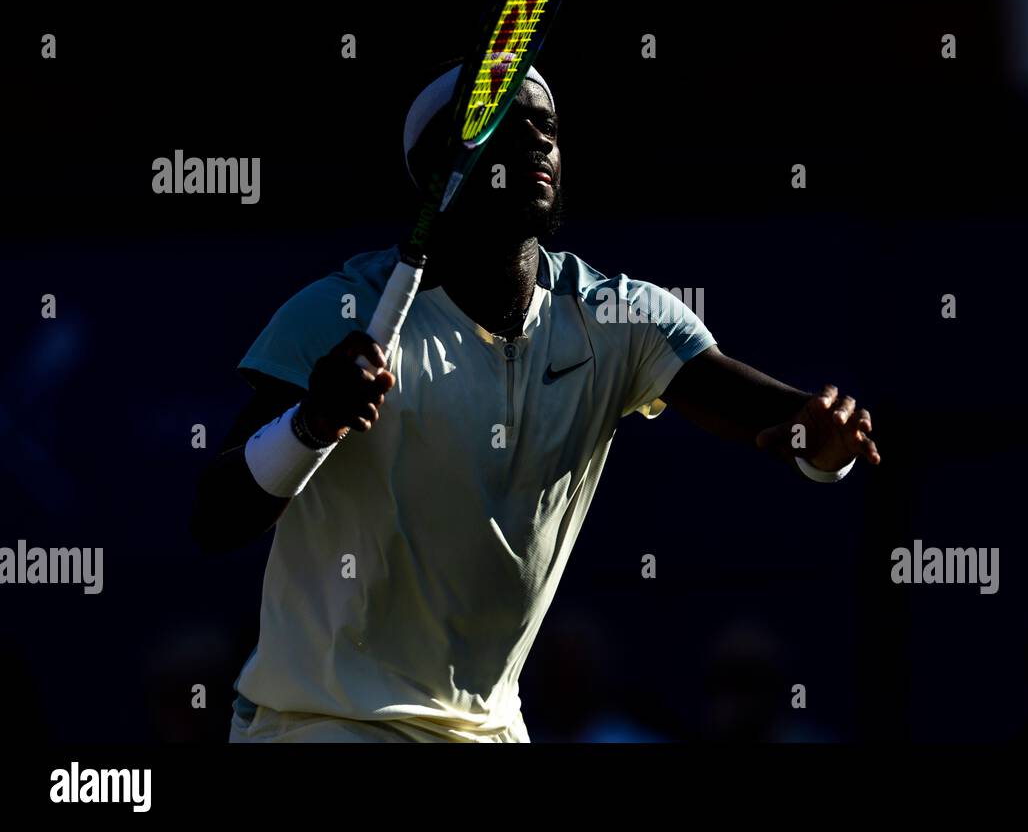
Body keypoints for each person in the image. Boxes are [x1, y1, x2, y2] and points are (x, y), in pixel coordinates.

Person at [192, 63, 881, 742]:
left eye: (547, 127)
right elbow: (213, 518)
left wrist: (823, 448)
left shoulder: (618, 320)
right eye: (506, 125)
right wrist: (313, 422)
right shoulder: (339, 315)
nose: (539, 142)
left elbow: (780, 419)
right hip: (322, 723)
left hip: (492, 728)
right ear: (440, 169)